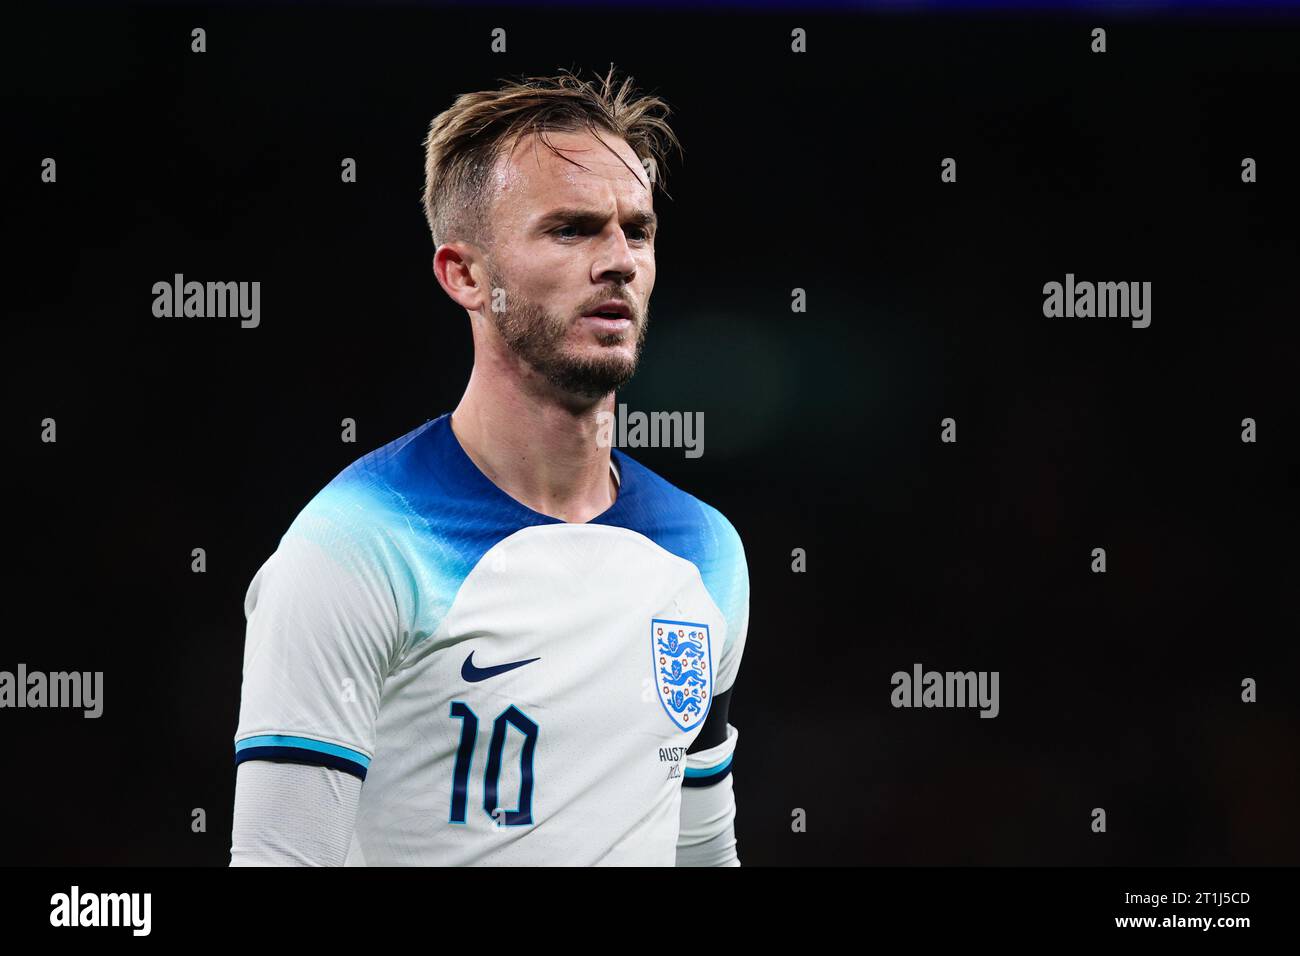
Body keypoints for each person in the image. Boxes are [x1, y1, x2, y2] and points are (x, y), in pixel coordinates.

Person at [229, 66, 750, 866]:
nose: (618, 261)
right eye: (572, 230)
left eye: (636, 231)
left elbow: (704, 853)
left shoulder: (704, 551)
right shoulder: (355, 546)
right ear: (466, 275)